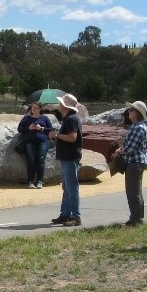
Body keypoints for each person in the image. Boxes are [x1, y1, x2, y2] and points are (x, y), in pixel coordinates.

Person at [114, 101, 147, 227]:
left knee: (133, 192)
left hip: (135, 162)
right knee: (136, 191)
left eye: (132, 110)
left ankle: (135, 219)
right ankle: (137, 217)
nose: (129, 112)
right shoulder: (137, 126)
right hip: (135, 161)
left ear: (138, 113)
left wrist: (119, 152)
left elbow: (130, 147)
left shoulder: (138, 128)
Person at [50, 93, 83, 227]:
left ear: (65, 106)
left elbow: (72, 137)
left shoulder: (71, 120)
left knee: (71, 187)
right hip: (67, 157)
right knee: (67, 187)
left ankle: (75, 216)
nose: (59, 105)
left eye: (61, 104)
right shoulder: (70, 118)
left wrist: (57, 135)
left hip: (70, 157)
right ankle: (65, 214)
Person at [17, 102, 53, 189]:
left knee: (41, 159)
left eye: (36, 108)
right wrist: (28, 128)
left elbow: (51, 129)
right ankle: (31, 181)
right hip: (29, 141)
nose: (33, 109)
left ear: (40, 109)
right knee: (31, 159)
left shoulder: (44, 118)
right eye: (32, 107)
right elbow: (19, 129)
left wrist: (41, 128)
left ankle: (40, 181)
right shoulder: (26, 118)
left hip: (43, 140)